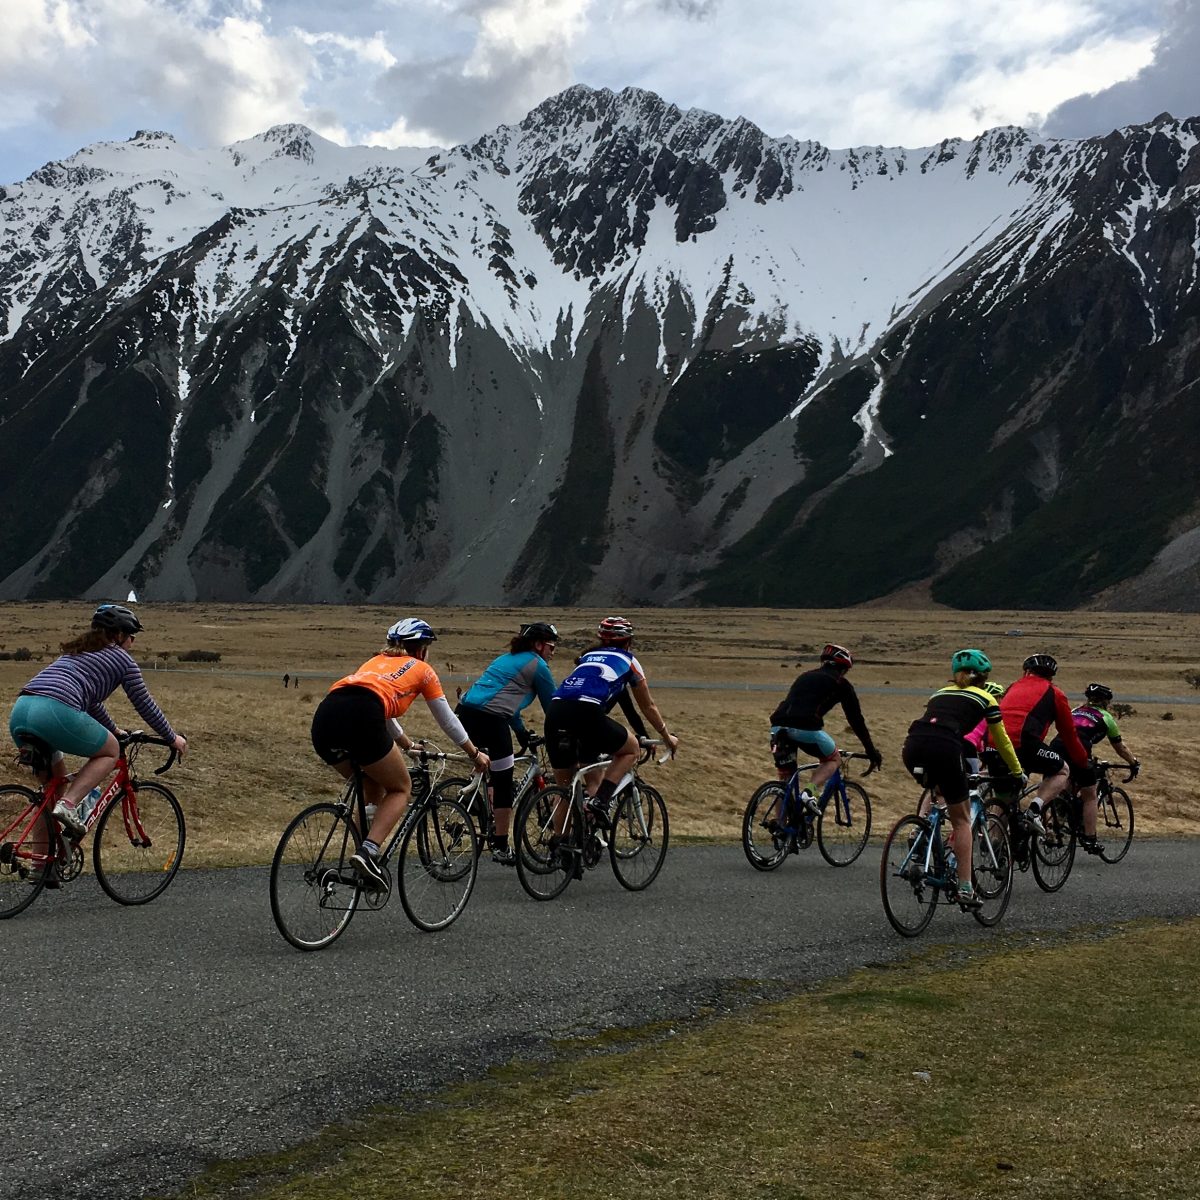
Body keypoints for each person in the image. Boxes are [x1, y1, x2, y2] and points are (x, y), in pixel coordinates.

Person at [310, 617, 489, 894]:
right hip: (363, 717)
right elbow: (447, 720)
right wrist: (474, 753)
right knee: (400, 788)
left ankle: (357, 865)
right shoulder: (423, 669)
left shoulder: (374, 663)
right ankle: (368, 854)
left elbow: (383, 709)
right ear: (422, 649)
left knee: (370, 784)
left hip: (325, 718)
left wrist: (407, 746)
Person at [8, 604, 188, 837]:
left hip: (22, 711)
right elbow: (144, 704)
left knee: (50, 794)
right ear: (120, 635)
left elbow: (91, 702)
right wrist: (172, 738)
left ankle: (41, 867)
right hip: (55, 711)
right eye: (131, 636)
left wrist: (113, 728)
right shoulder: (123, 660)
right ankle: (70, 805)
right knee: (110, 751)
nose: (132, 643)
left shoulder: (75, 653)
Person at [902, 649, 1024, 909]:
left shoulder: (940, 693)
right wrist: (1016, 771)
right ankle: (966, 888)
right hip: (945, 747)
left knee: (940, 793)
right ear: (983, 677)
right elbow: (1001, 740)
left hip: (913, 745)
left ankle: (922, 830)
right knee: (962, 820)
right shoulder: (986, 698)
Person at [544, 617, 679, 826]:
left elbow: (625, 704)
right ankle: (600, 801)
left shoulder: (587, 657)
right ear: (628, 642)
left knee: (564, 788)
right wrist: (665, 736)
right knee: (631, 748)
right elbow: (647, 706)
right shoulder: (629, 661)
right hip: (587, 712)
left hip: (556, 710)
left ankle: (559, 847)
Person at [456, 621, 559, 865]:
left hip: (464, 713)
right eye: (551, 647)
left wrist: (521, 732)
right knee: (504, 781)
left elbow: (508, 706)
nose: (553, 652)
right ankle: (501, 845)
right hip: (490, 719)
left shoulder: (505, 659)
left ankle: (467, 801)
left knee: (490, 764)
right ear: (538, 645)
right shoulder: (538, 666)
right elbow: (553, 710)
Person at [768, 643, 883, 812]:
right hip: (805, 728)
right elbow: (856, 720)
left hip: (778, 728)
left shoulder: (805, 676)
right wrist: (871, 751)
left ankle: (781, 829)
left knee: (785, 779)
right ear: (843, 668)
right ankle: (810, 791)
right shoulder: (841, 684)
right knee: (833, 759)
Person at [999, 653, 1089, 836]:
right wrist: (1082, 761)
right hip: (1023, 743)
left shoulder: (1012, 687)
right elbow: (1068, 734)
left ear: (1026, 671)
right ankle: (1034, 810)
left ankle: (993, 842)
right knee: (1062, 769)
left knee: (1004, 797)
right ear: (1051, 676)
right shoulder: (1055, 693)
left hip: (995, 743)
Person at [1050, 682, 1141, 854]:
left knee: (1065, 783)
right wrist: (1133, 763)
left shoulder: (1075, 711)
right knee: (1090, 795)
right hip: (1079, 749)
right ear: (1106, 702)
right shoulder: (1106, 717)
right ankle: (1090, 838)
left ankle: (1055, 822)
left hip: (1056, 746)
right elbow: (1120, 747)